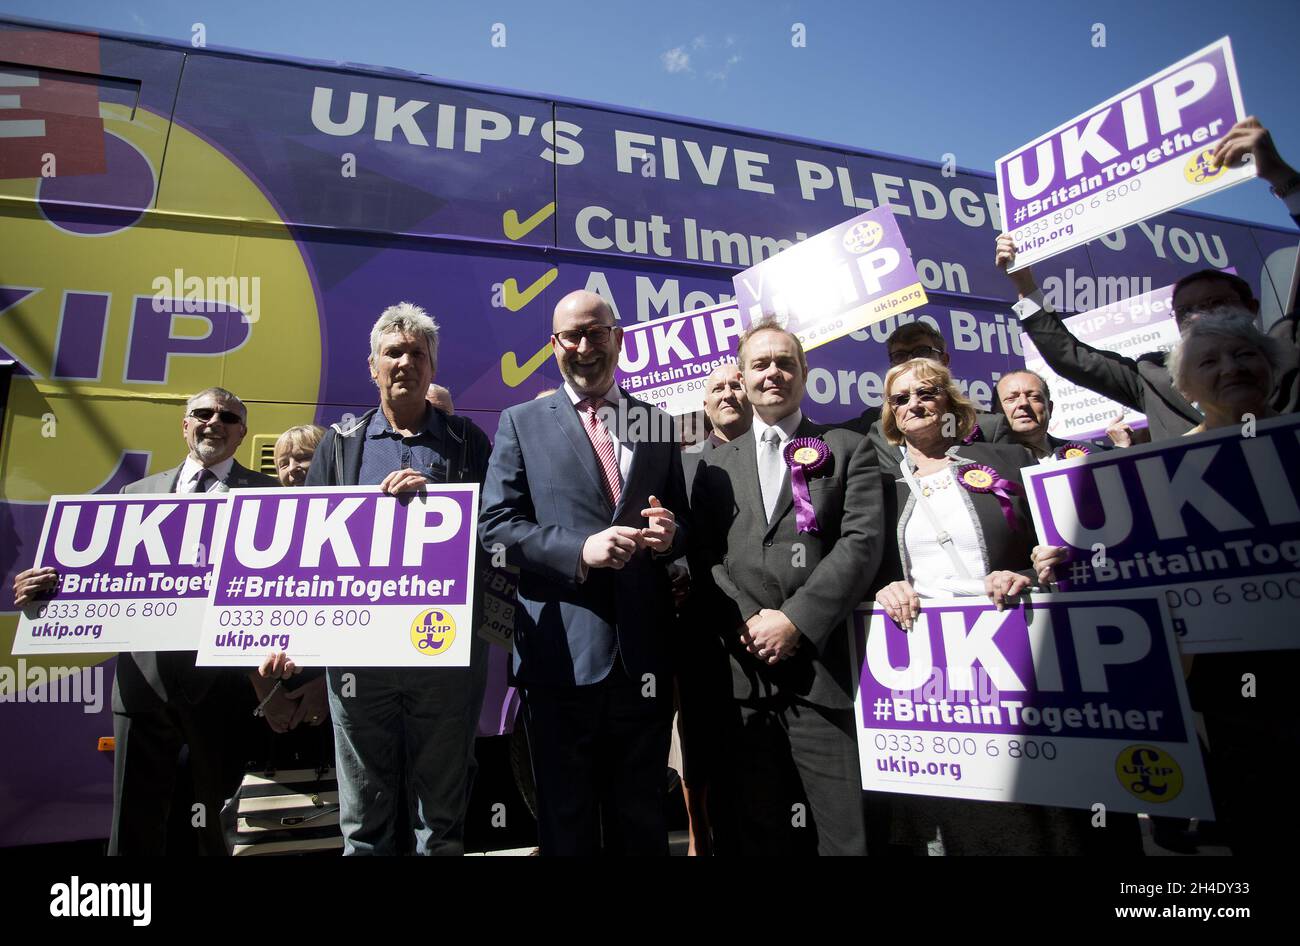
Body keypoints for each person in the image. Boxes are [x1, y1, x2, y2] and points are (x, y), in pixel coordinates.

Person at [873, 360, 1137, 855]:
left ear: (949, 401)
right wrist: (887, 587)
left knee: (1042, 808)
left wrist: (1030, 568)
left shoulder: (1006, 459)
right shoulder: (879, 484)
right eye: (900, 398)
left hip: (1016, 648)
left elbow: (1059, 543)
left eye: (926, 392)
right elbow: (869, 560)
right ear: (890, 414)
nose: (914, 404)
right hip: (936, 672)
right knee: (965, 814)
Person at [14, 387, 278, 855]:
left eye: (227, 417)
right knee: (132, 823)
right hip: (142, 684)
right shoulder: (135, 494)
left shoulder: (270, 495)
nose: (213, 422)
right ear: (184, 424)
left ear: (242, 434)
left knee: (224, 830)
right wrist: (44, 591)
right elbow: (99, 578)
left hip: (224, 687)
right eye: (201, 413)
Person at [478, 289, 689, 856]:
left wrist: (671, 535)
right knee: (565, 820)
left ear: (618, 338)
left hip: (642, 656)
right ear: (554, 346)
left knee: (641, 817)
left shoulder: (657, 423)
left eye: (596, 332)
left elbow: (681, 524)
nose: (584, 346)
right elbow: (495, 527)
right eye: (571, 336)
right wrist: (579, 550)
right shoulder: (521, 423)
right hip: (560, 657)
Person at [689, 317, 884, 855]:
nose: (772, 372)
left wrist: (796, 621)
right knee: (755, 831)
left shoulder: (848, 448)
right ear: (744, 376)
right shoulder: (712, 466)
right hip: (742, 679)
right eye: (760, 363)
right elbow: (705, 556)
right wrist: (751, 621)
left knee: (843, 836)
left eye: (784, 362)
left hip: (823, 676)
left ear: (803, 372)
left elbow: (860, 543)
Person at [303, 301, 491, 855]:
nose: (405, 362)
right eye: (393, 353)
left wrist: (440, 509)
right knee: (363, 823)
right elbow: (309, 545)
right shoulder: (338, 445)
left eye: (417, 353)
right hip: (360, 665)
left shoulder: (467, 443)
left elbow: (499, 530)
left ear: (432, 367)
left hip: (443, 660)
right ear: (373, 366)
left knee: (441, 824)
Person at [997, 116, 1299, 442]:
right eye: (1187, 310)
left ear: (1251, 307)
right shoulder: (1151, 378)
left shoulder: (1289, 349)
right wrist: (1024, 284)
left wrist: (1282, 177)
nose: (1201, 315)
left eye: (1216, 303)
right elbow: (1070, 357)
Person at [675, 361, 753, 855]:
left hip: (769, 624)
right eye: (716, 387)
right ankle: (702, 835)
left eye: (736, 384)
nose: (728, 393)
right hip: (702, 628)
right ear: (704, 406)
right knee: (701, 739)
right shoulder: (683, 465)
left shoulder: (795, 455)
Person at [839, 320, 1009, 475]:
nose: (910, 361)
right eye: (900, 356)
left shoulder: (990, 428)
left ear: (944, 359)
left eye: (921, 352)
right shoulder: (873, 428)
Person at [995, 369, 1105, 460]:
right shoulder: (983, 464)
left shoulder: (1095, 455)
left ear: (1050, 408)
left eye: (1034, 397)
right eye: (1011, 398)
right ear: (995, 411)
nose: (1024, 403)